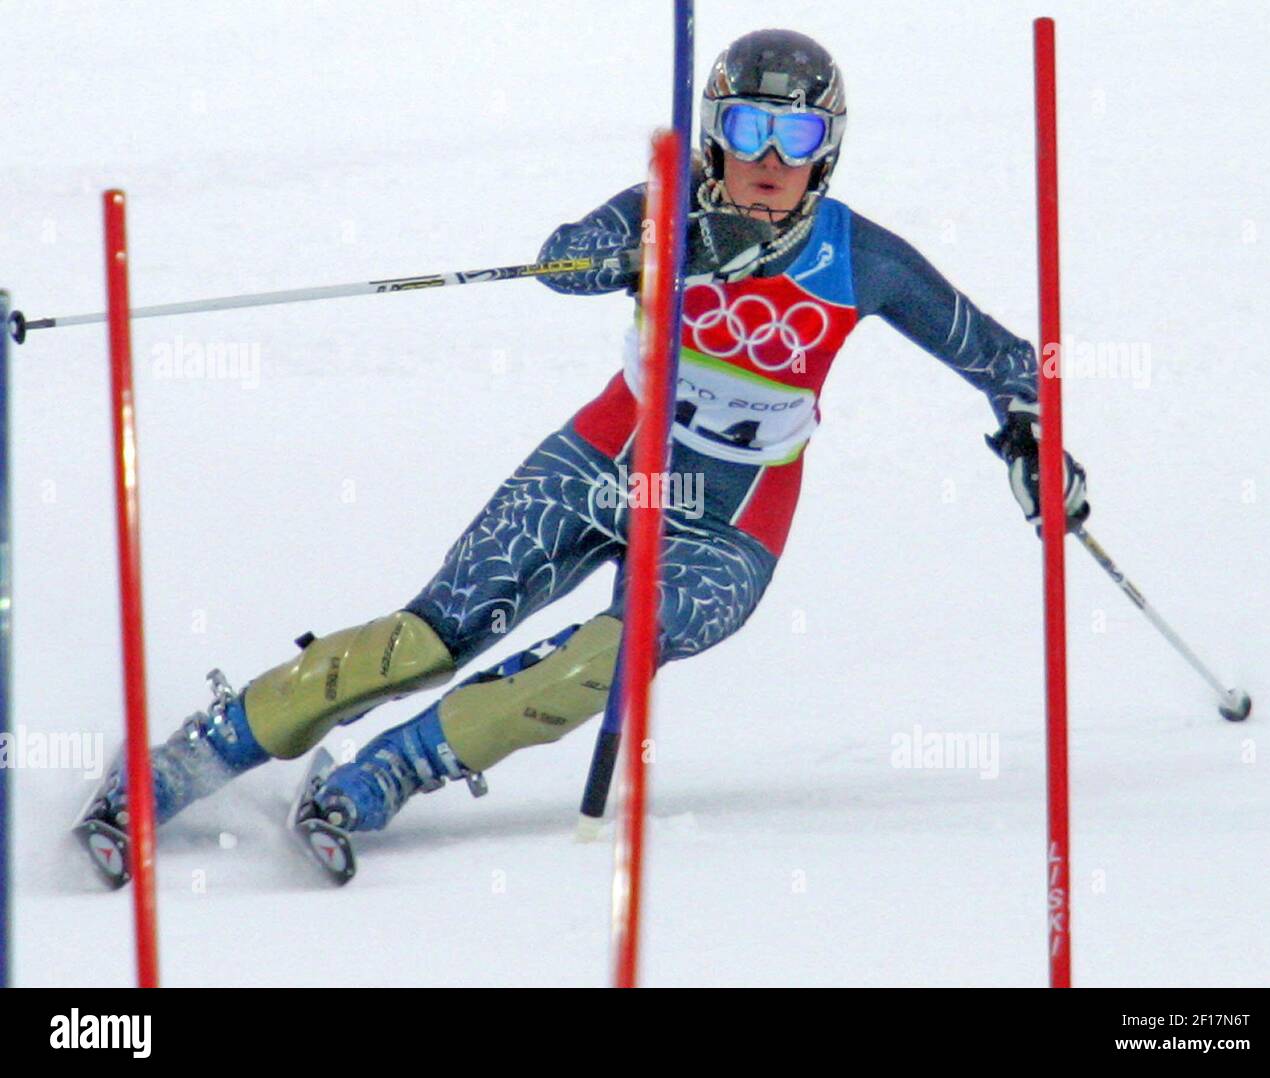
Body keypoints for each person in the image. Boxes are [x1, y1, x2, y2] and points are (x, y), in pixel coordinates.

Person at [78, 28, 1088, 881]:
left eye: (798, 135)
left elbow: (1005, 358)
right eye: (747, 130)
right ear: (712, 134)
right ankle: (186, 762)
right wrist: (618, 252)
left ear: (828, 151)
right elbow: (562, 254)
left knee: (602, 659)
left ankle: (384, 774)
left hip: (732, 523)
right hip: (605, 455)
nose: (769, 157)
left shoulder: (860, 258)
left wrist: (1034, 437)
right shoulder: (668, 207)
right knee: (430, 635)